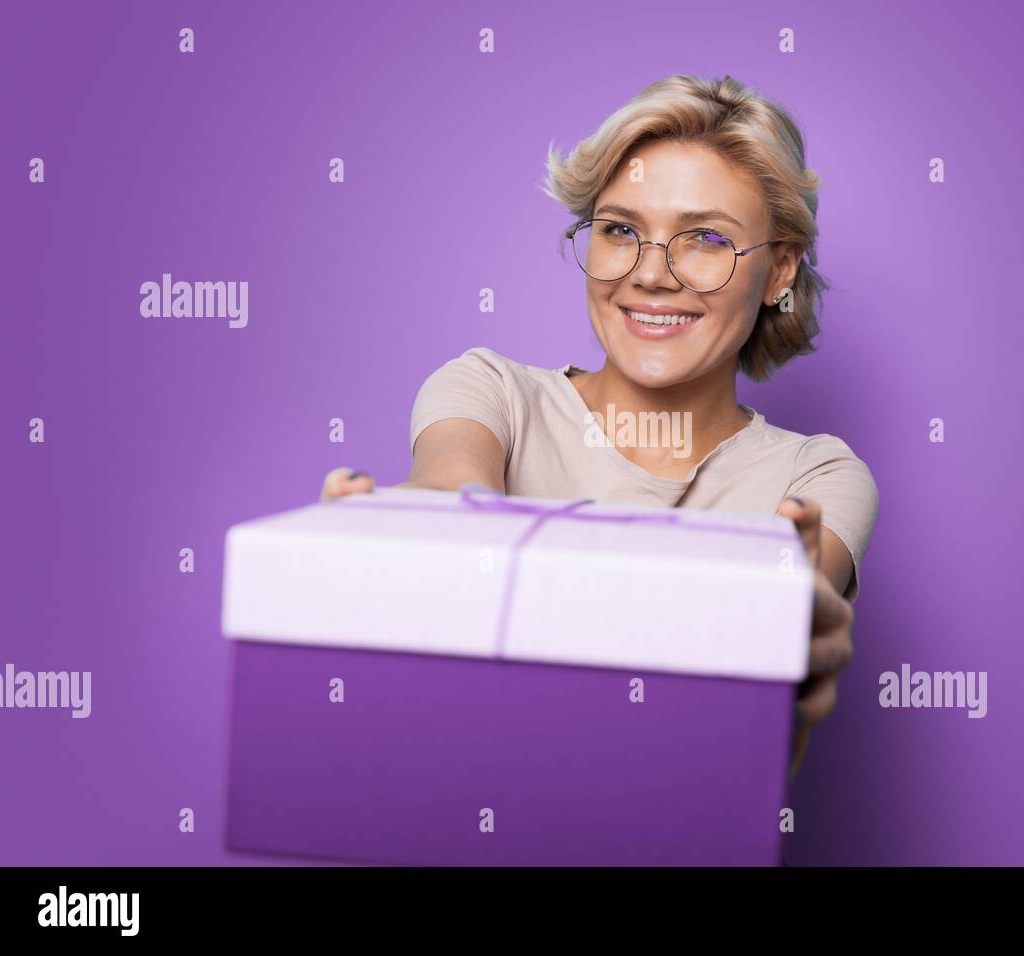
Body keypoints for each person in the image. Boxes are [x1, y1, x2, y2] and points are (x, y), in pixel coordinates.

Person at [322, 74, 879, 778]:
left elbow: (736, 689)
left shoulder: (819, 478)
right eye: (621, 230)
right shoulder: (490, 393)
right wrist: (399, 545)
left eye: (705, 237)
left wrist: (775, 640)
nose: (651, 275)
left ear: (778, 274)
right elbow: (452, 502)